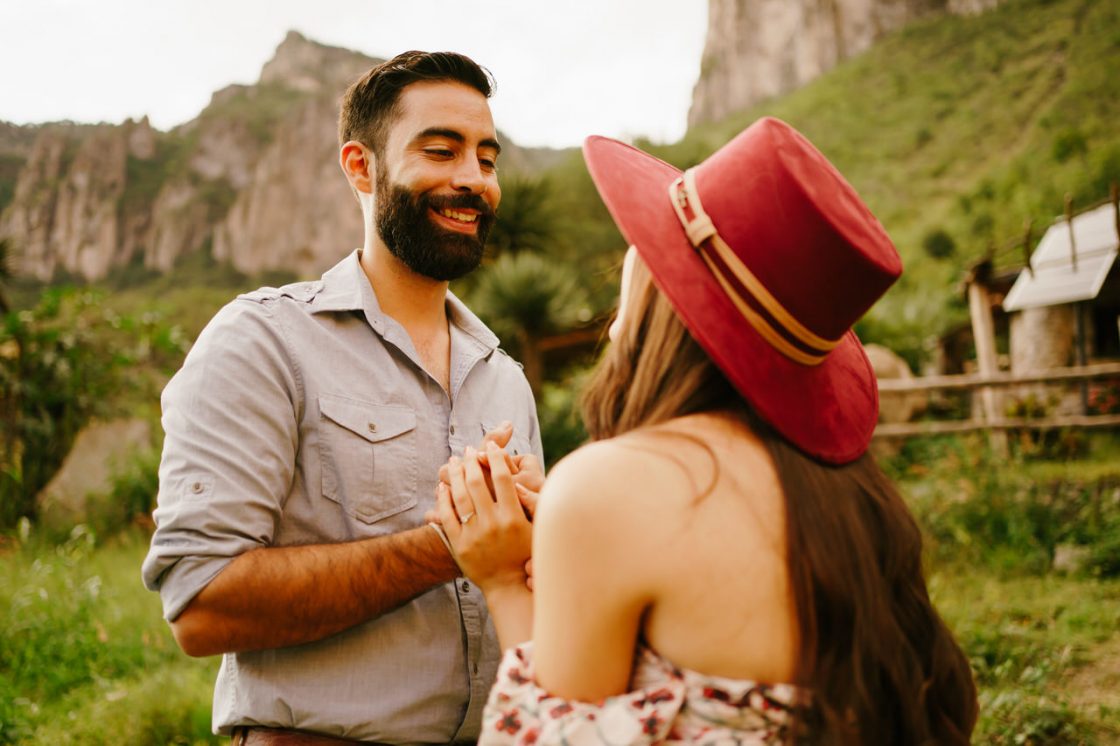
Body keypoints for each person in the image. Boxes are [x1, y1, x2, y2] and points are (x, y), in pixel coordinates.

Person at [434, 117, 978, 744]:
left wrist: (503, 579)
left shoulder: (610, 487)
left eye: (640, 254)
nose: (614, 313)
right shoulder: (857, 498)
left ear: (670, 299)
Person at [141, 51, 544, 745]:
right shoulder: (262, 341)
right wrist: (449, 546)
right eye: (441, 151)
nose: (472, 180)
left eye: (486, 157)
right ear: (361, 167)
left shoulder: (505, 377)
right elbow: (202, 605)